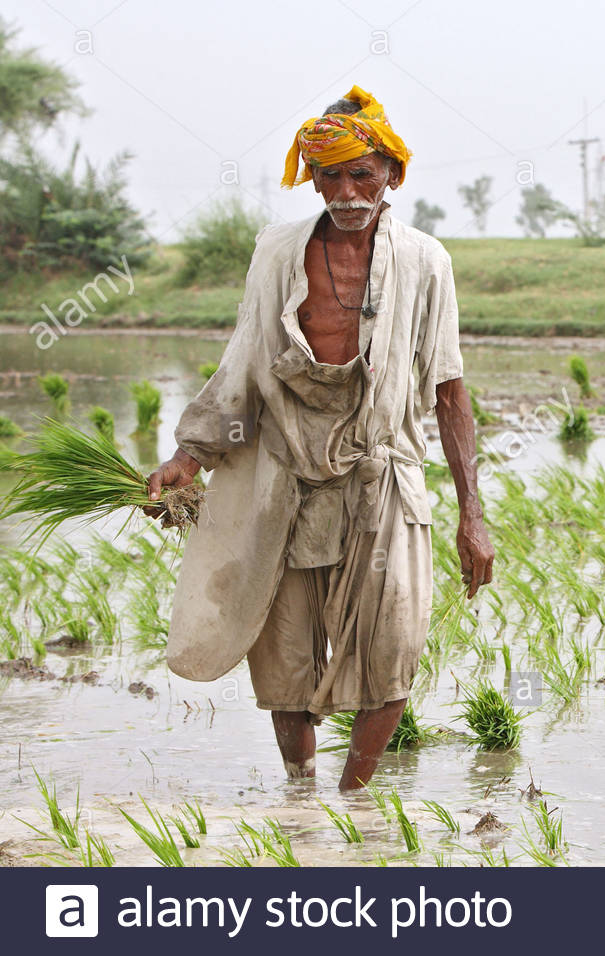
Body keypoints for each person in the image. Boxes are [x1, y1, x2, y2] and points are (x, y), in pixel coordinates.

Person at [146, 85, 494, 790]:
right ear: (312, 179)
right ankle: (301, 799)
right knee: (284, 658)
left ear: (392, 172)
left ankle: (354, 795)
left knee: (394, 645)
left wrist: (472, 514)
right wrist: (191, 454)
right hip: (285, 472)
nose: (345, 190)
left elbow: (448, 388)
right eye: (328, 175)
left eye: (360, 172)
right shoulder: (279, 252)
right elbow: (244, 358)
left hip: (383, 472)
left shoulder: (426, 263)